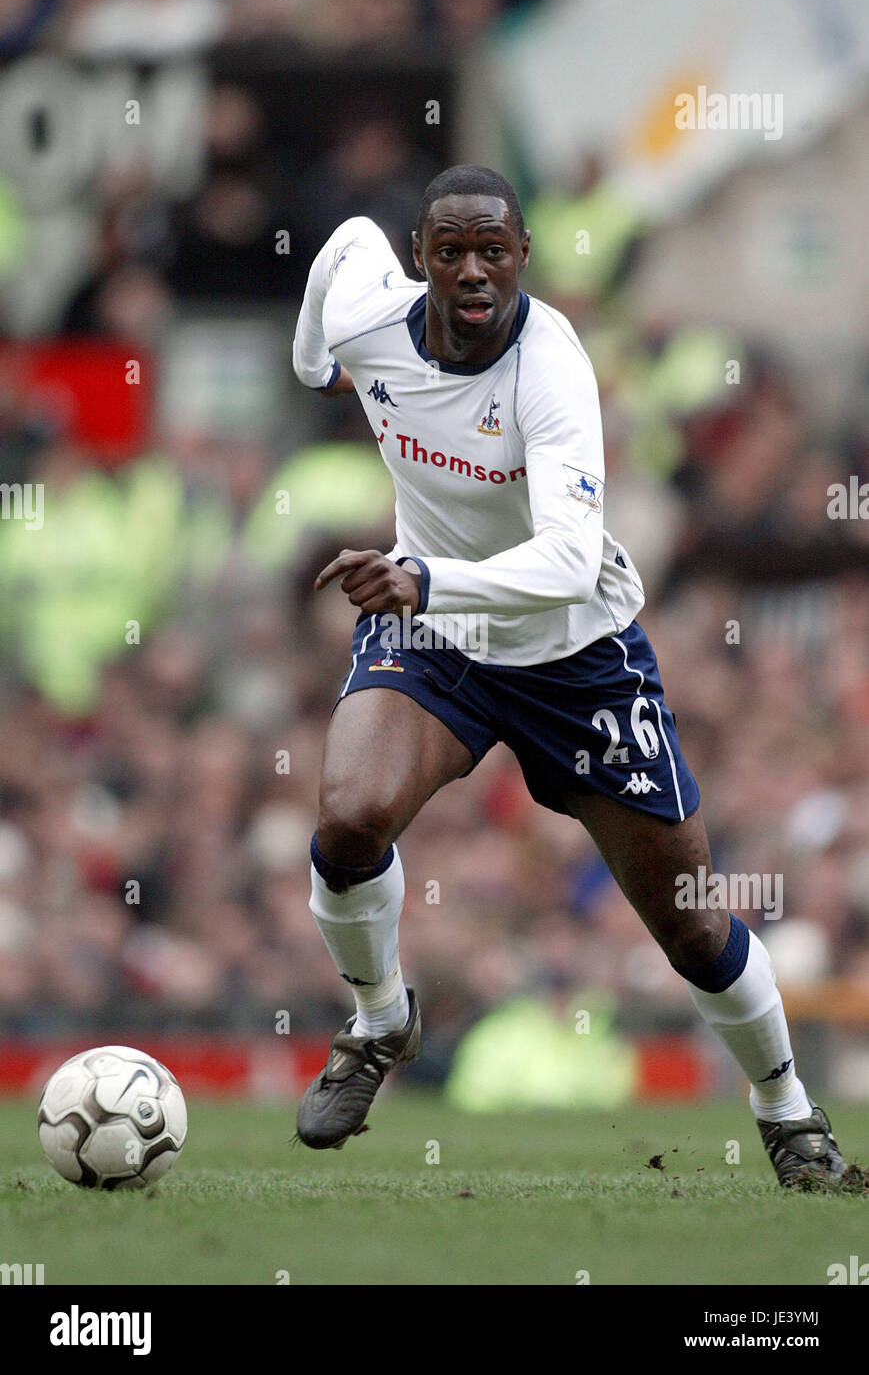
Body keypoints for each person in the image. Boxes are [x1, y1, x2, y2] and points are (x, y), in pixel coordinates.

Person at [291, 165, 844, 1187]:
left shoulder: (549, 367)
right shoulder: (372, 314)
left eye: (490, 252)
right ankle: (378, 1022)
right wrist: (319, 367)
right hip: (440, 637)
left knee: (686, 917)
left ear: (522, 261)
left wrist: (418, 574)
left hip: (572, 654)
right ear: (419, 258)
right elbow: (329, 284)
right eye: (448, 250)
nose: (469, 271)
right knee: (346, 817)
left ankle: (786, 1109)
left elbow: (562, 561)